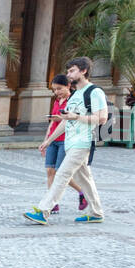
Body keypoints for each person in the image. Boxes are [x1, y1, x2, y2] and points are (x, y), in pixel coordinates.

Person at [25, 57, 105, 224]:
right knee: (86, 180)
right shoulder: (76, 95)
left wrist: (76, 116)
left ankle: (43, 210)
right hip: (70, 142)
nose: (68, 74)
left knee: (61, 174)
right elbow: (65, 121)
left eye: (72, 70)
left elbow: (102, 118)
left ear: (83, 71)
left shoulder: (95, 92)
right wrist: (48, 140)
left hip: (83, 142)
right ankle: (96, 213)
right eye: (68, 71)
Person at [38, 75, 83, 213]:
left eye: (59, 89)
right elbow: (52, 122)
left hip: (65, 139)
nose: (56, 92)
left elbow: (71, 120)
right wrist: (46, 140)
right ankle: (52, 203)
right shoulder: (57, 101)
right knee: (50, 171)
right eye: (54, 90)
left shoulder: (73, 101)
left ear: (68, 86)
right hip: (53, 140)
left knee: (60, 172)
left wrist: (61, 118)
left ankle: (82, 192)